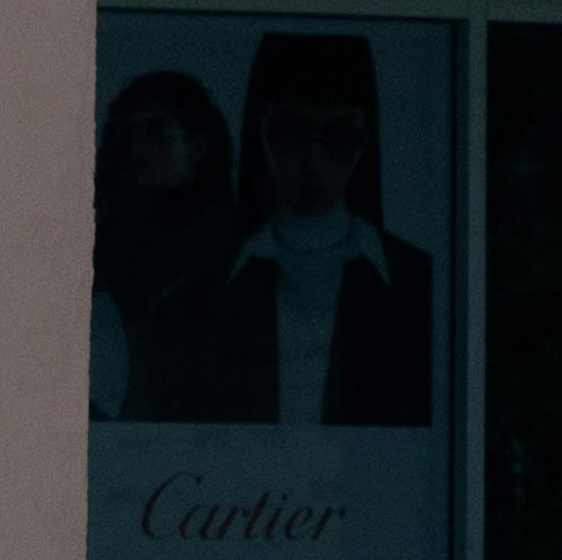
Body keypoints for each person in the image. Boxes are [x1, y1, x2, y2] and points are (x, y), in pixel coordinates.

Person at [140, 27, 435, 428]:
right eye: (292, 133)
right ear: (261, 130)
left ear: (366, 137)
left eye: (339, 136)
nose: (313, 161)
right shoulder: (188, 305)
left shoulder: (423, 293)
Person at [89, 63, 239, 418]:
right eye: (128, 134)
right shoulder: (100, 248)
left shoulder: (238, 246)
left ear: (196, 146)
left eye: (156, 132)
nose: (137, 148)